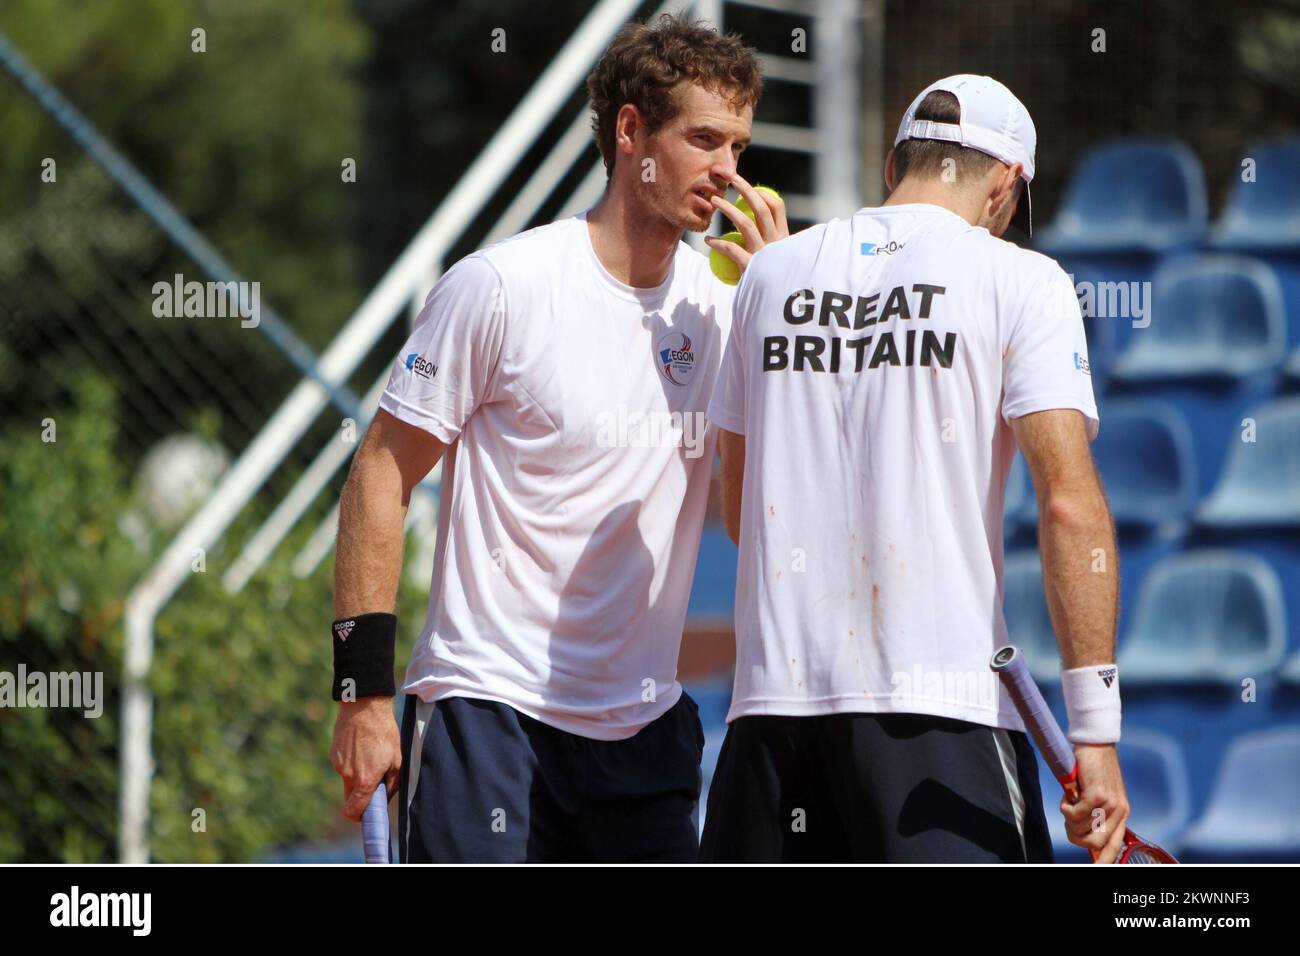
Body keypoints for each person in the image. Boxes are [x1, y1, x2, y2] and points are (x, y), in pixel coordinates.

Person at [328, 13, 786, 862]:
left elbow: (751, 512)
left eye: (739, 146)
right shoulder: (501, 286)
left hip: (644, 730)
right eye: (706, 140)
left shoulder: (726, 309)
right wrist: (362, 697)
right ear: (630, 132)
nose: (729, 171)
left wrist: (777, 326)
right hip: (486, 712)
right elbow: (380, 474)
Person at [700, 74, 1129, 863]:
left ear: (896, 164)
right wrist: (1093, 733)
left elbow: (739, 513)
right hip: (942, 720)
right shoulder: (1021, 278)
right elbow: (1070, 506)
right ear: (1005, 185)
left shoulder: (769, 275)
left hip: (771, 723)